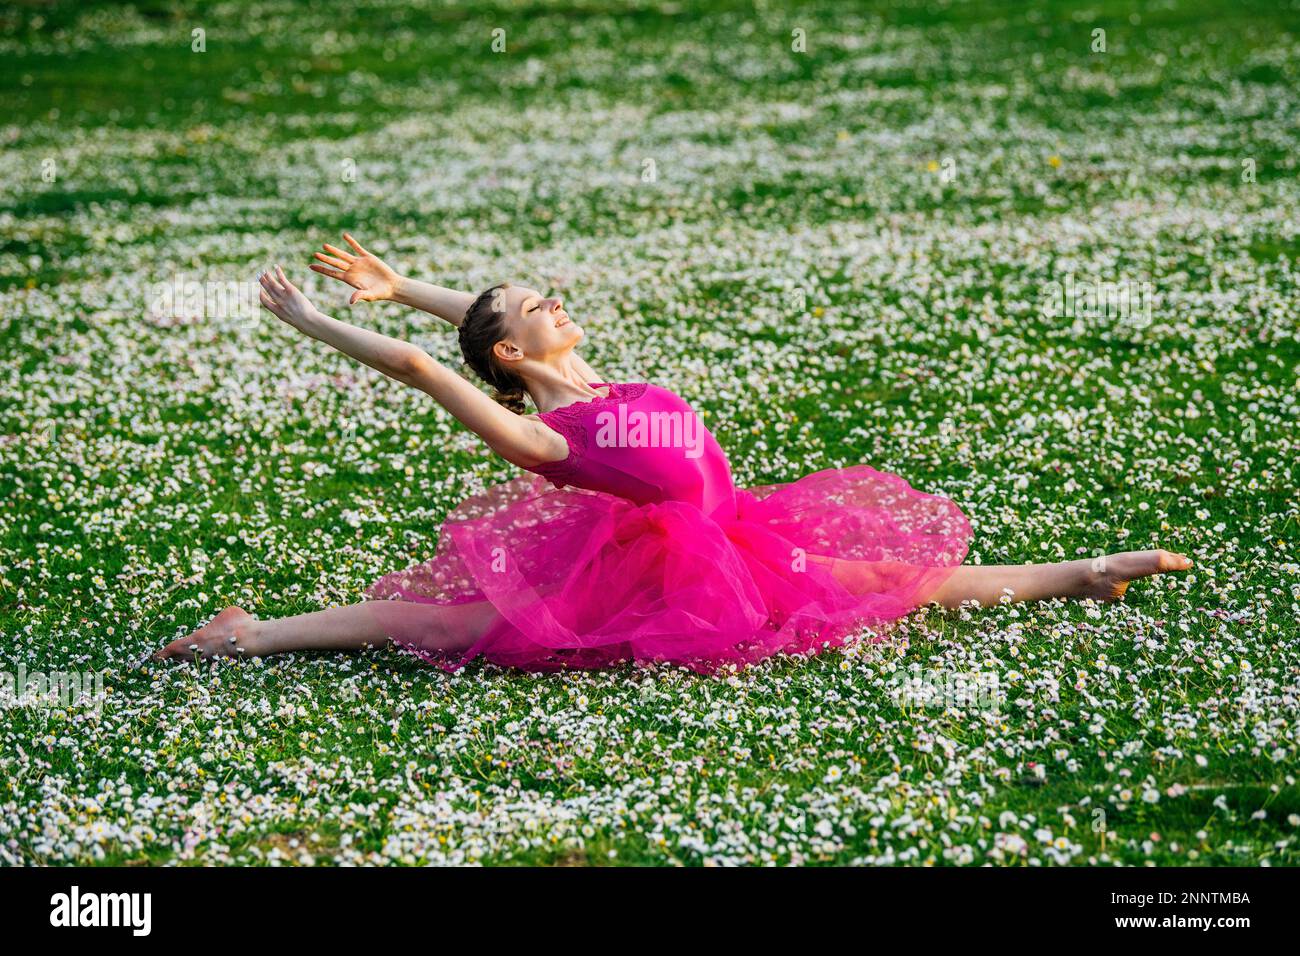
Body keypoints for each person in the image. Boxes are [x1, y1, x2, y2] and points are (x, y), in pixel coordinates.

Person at [153, 235, 1192, 672]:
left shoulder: (600, 380)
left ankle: (1084, 572)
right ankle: (244, 634)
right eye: (532, 309)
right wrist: (320, 324)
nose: (552, 298)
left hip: (728, 526)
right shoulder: (544, 432)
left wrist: (408, 286)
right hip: (655, 565)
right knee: (432, 617)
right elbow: (432, 369)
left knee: (884, 577)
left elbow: (473, 330)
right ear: (515, 353)